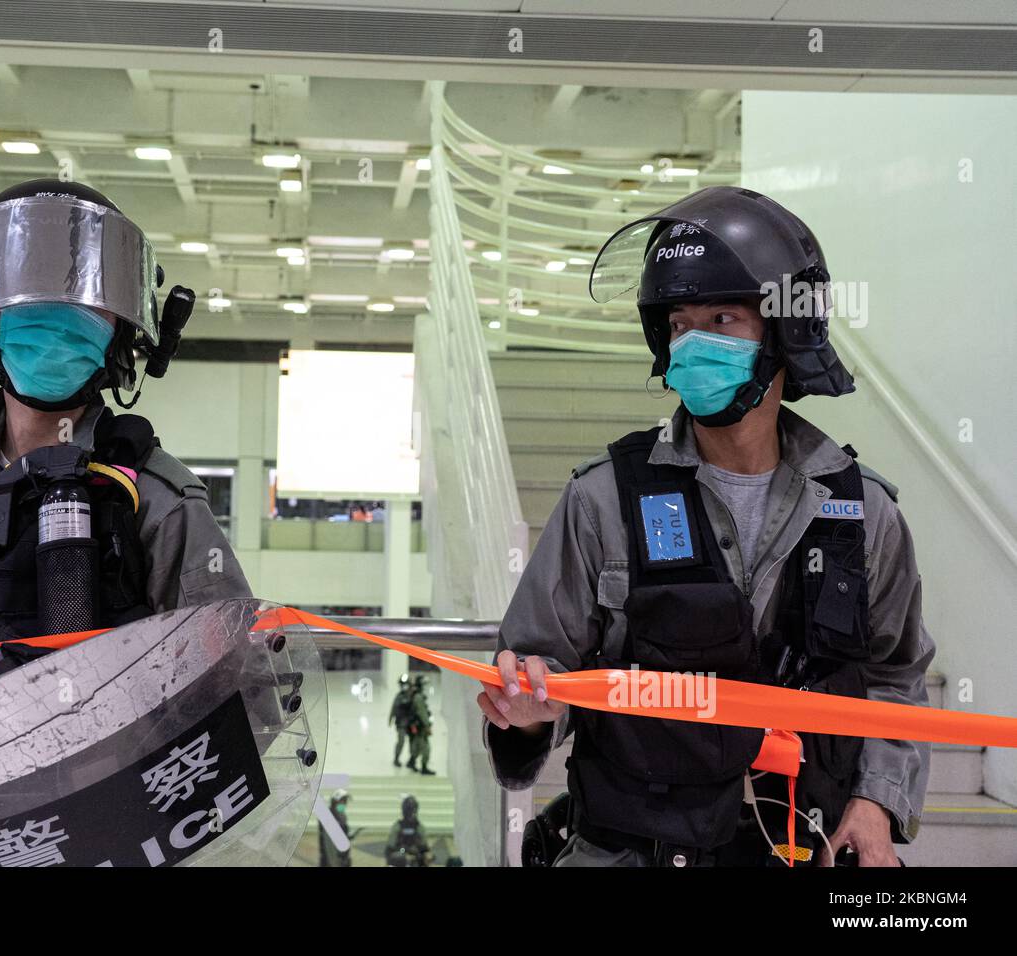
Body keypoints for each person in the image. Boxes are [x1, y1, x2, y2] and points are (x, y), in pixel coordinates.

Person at [478, 186, 933, 867]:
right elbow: (541, 674)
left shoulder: (864, 512)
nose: (695, 344)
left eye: (723, 319)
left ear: (786, 333)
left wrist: (877, 802)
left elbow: (895, 676)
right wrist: (530, 708)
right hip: (634, 849)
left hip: (803, 846)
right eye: (682, 323)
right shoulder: (603, 499)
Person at [0, 179, 252, 770]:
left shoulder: (157, 501)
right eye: (29, 304)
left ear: (124, 332)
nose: (54, 325)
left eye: (84, 305)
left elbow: (226, 683)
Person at [385, 794, 431, 867]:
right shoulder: (398, 827)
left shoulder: (419, 827)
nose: (412, 814)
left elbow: (424, 847)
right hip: (400, 853)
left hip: (415, 856)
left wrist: (427, 854)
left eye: (414, 811)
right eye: (410, 811)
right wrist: (404, 853)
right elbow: (390, 849)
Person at [405, 674, 435, 775]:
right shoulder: (418, 697)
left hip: (416, 726)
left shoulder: (415, 695)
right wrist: (427, 726)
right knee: (426, 748)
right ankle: (424, 767)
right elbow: (422, 713)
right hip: (420, 727)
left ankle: (411, 762)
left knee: (416, 746)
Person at [317, 788, 355, 867]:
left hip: (341, 860)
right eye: (342, 801)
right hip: (333, 862)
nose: (344, 804)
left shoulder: (340, 816)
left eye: (345, 801)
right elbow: (329, 848)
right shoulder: (330, 820)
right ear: (335, 802)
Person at [389, 674, 413, 767]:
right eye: (402, 684)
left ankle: (412, 760)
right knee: (401, 741)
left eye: (406, 684)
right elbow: (394, 708)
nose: (404, 686)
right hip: (401, 724)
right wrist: (390, 718)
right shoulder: (399, 696)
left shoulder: (413, 695)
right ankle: (396, 758)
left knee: (413, 743)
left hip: (412, 723)